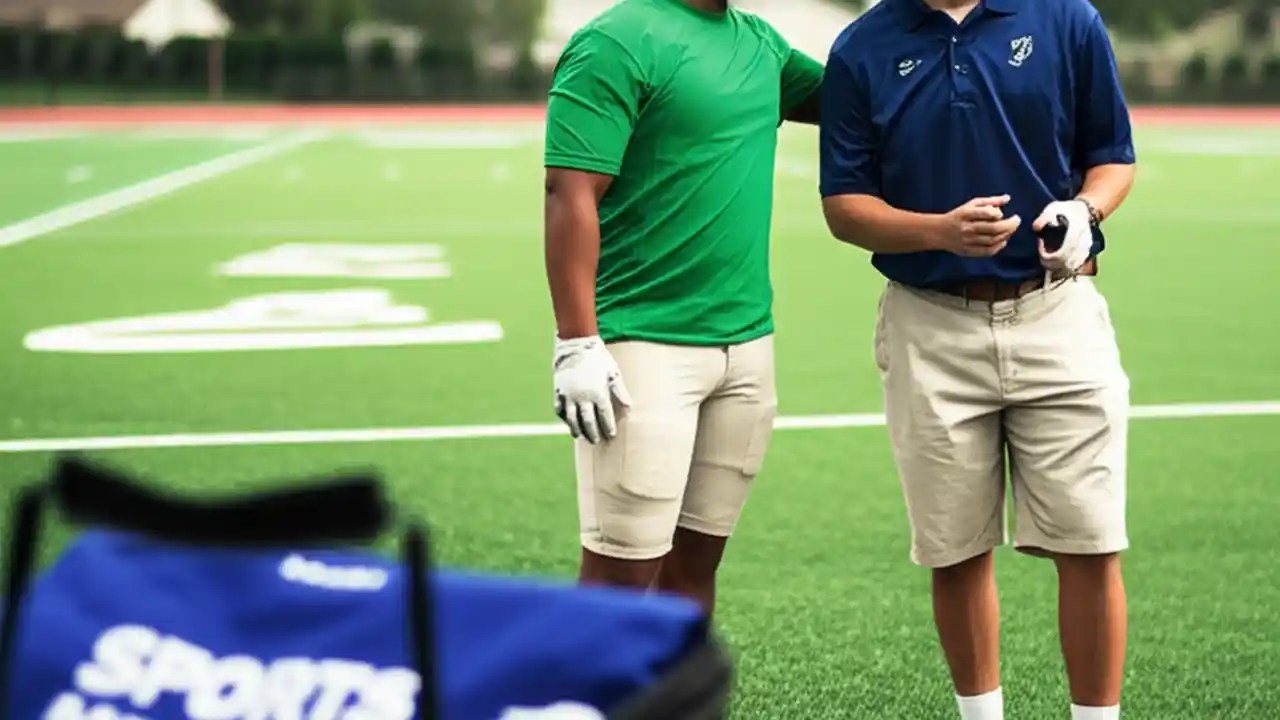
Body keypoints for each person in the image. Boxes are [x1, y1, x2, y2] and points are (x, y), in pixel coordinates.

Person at [818, 1, 1136, 719]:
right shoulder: (862, 47)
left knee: (1090, 541)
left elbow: (1112, 159)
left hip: (1058, 313)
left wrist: (1083, 214)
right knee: (954, 547)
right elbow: (844, 205)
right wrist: (940, 231)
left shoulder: (1066, 19)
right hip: (927, 325)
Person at [542, 0, 823, 616]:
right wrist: (577, 341)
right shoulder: (616, 40)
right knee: (621, 577)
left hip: (748, 348)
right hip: (643, 345)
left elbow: (861, 98)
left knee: (695, 569)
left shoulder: (761, 44)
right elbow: (570, 191)